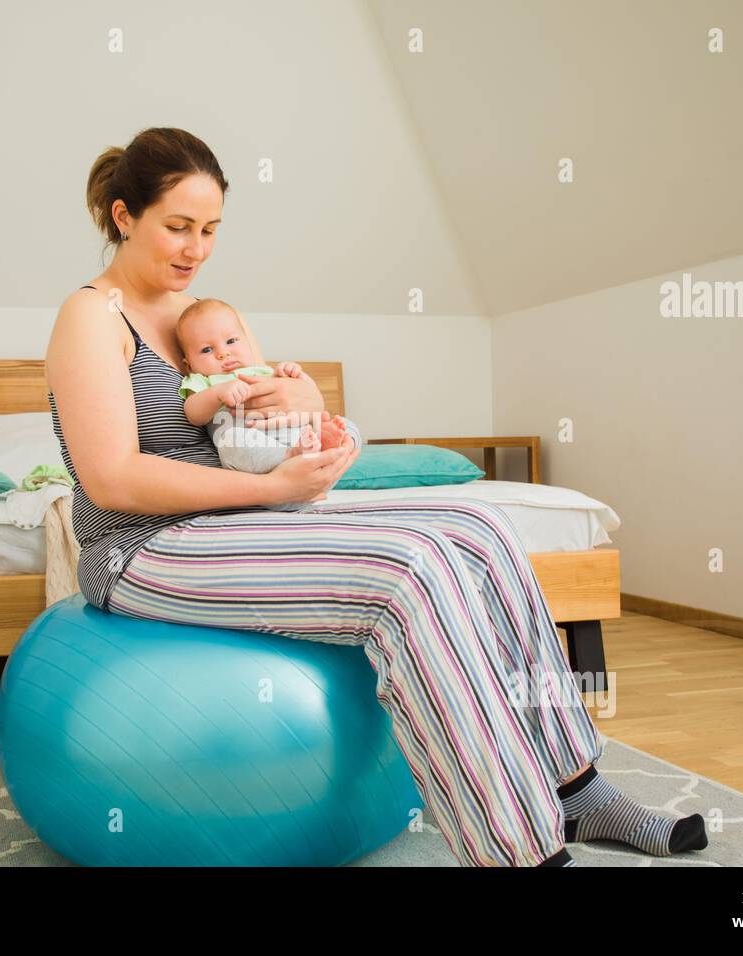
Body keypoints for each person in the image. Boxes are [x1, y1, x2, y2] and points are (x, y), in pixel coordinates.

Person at [44, 126, 708, 867]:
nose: (195, 248)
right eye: (177, 228)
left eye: (210, 230)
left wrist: (312, 422)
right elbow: (113, 479)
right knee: (410, 570)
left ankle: (577, 790)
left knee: (476, 525)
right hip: (142, 546)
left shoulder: (204, 314)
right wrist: (269, 488)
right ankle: (517, 852)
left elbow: (260, 416)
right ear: (124, 214)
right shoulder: (90, 318)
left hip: (241, 518)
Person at [173, 296, 361, 510]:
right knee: (232, 439)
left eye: (232, 341)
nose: (223, 353)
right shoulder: (203, 380)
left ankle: (322, 450)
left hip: (299, 450)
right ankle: (290, 457)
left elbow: (307, 397)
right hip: (262, 465)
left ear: (248, 342)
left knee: (348, 427)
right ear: (189, 365)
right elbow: (193, 413)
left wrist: (295, 376)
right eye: (207, 350)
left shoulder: (264, 371)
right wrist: (217, 393)